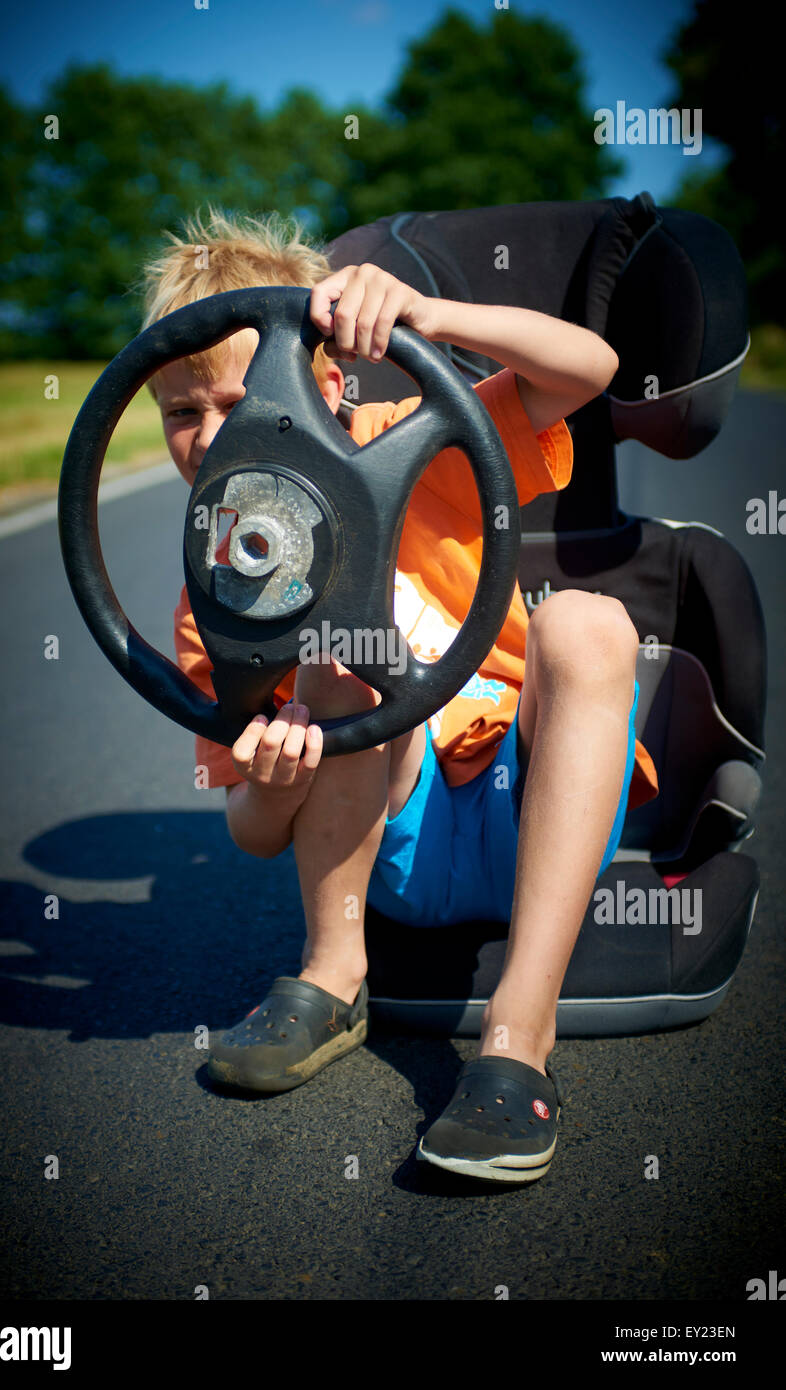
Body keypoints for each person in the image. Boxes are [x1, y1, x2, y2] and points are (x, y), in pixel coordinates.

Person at [138, 206, 658, 1183]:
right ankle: (333, 972)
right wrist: (277, 779)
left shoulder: (412, 436)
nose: (214, 435)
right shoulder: (213, 590)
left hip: (529, 801)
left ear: (325, 381)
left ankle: (517, 1034)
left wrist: (430, 315)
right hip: (392, 838)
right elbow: (251, 829)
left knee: (586, 623)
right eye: (182, 410)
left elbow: (583, 369)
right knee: (339, 651)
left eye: (239, 396)